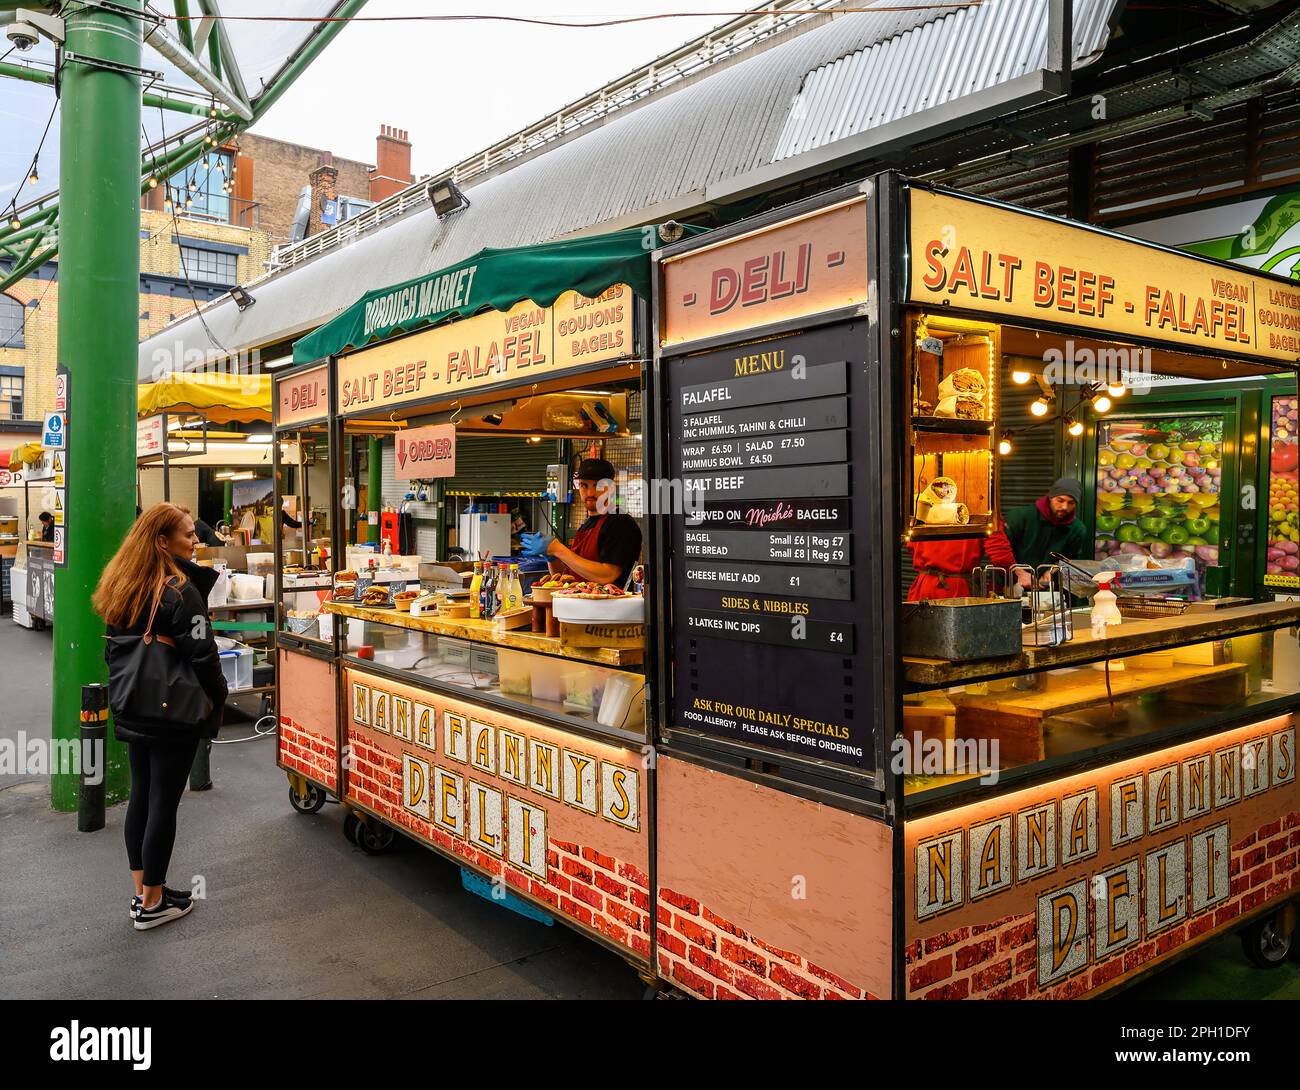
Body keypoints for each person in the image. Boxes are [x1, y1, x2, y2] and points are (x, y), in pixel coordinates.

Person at [93, 503, 227, 931]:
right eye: (188, 534)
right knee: (164, 803)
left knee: (143, 797)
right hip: (173, 711)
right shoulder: (180, 590)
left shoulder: (123, 584)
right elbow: (202, 652)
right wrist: (219, 694)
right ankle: (153, 906)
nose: (196, 540)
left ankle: (145, 891)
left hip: (135, 703)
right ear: (162, 541)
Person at [521, 458, 642, 587]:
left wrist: (558, 549)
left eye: (597, 486)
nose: (590, 493)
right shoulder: (586, 525)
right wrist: (551, 557)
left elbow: (608, 575)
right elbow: (567, 578)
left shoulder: (620, 523)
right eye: (584, 485)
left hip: (610, 606)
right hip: (579, 604)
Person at [1002, 477, 1091, 577]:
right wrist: (1020, 574)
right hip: (1011, 581)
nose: (1065, 507)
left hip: (1048, 587)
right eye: (1060, 500)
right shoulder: (1020, 517)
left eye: (1071, 503)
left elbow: (1069, 559)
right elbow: (1001, 552)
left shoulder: (1077, 529)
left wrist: (1051, 571)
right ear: (1050, 497)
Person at [907, 523, 1017, 600]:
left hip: (923, 589)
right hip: (959, 593)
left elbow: (910, 545)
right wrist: (1017, 575)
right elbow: (1001, 556)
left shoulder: (922, 499)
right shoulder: (983, 505)